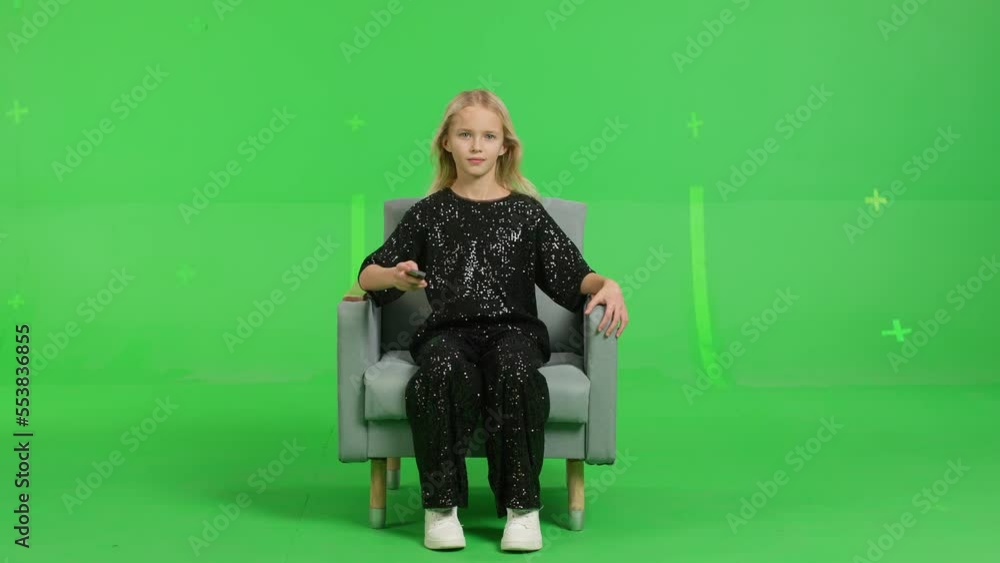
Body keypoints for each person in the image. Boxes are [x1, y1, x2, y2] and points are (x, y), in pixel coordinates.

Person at [357, 89, 629, 552]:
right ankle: (441, 509)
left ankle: (522, 510)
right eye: (465, 135)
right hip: (448, 334)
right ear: (447, 142)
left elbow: (573, 275)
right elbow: (368, 275)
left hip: (514, 332)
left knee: (516, 372)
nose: (477, 146)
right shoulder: (429, 212)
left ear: (505, 146)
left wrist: (610, 283)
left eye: (488, 136)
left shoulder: (526, 213)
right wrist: (396, 277)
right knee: (439, 374)